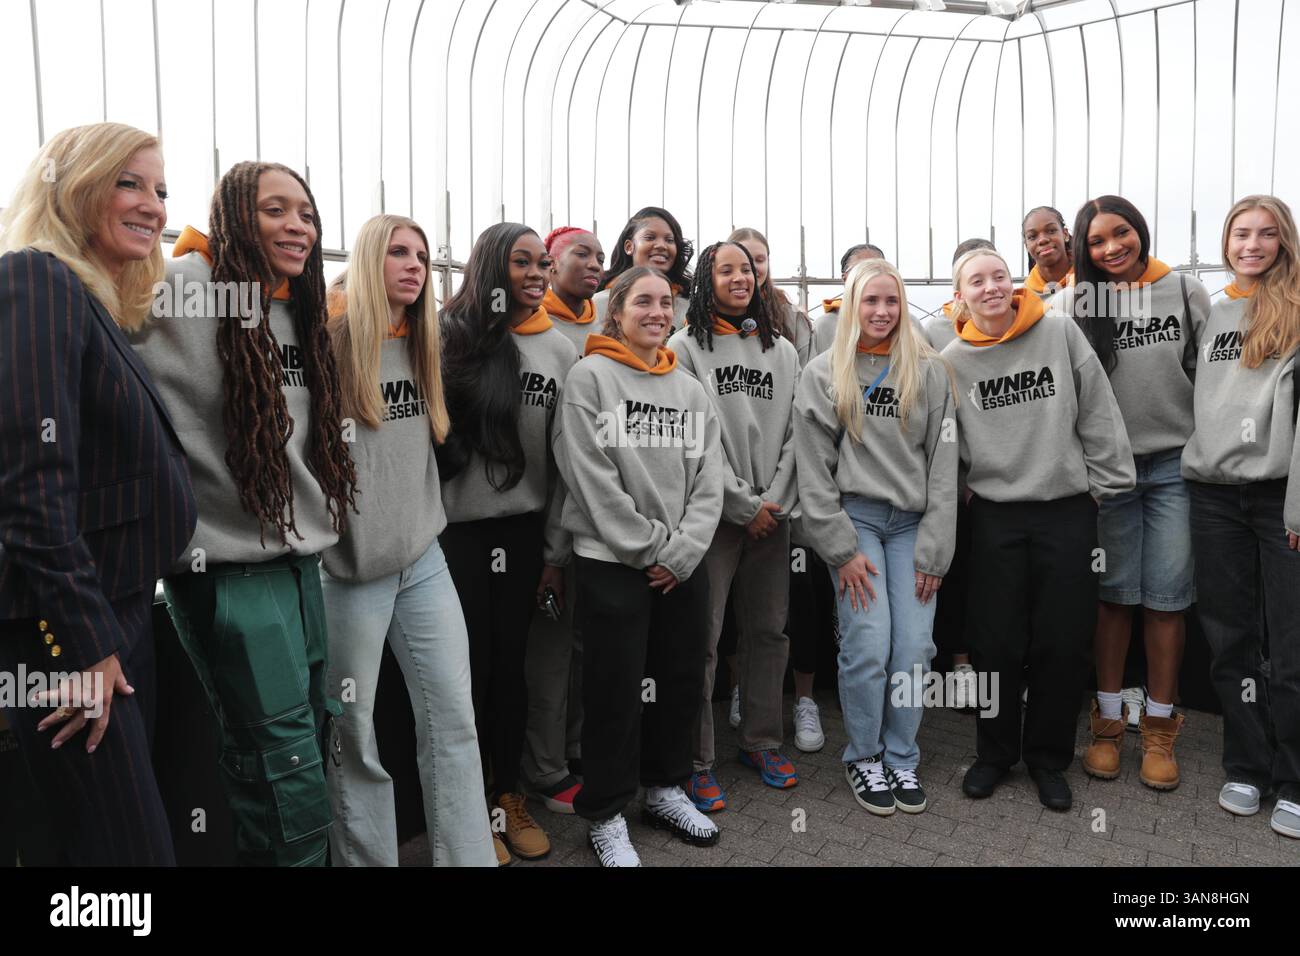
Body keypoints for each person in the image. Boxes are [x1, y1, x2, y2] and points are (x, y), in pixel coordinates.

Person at [132, 160, 359, 866]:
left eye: (308, 214)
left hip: (300, 564)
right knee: (282, 767)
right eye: (274, 210)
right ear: (234, 214)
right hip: (228, 571)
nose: (297, 225)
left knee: (304, 743)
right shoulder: (180, 289)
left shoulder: (296, 300)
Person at [0, 122, 197, 866]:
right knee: (129, 856)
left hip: (109, 617)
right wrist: (85, 647)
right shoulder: (35, 278)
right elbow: (30, 489)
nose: (152, 205)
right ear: (75, 187)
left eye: (160, 190)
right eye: (129, 182)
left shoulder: (90, 299)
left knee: (103, 853)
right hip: (67, 632)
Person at [320, 214, 494, 866]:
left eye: (421, 254)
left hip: (423, 560)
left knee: (454, 720)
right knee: (353, 733)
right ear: (370, 259)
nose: (414, 264)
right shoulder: (328, 342)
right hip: (347, 574)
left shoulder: (425, 345)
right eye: (398, 252)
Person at [941, 248, 1135, 812]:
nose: (992, 287)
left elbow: (1097, 410)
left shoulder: (1060, 333)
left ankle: (1049, 759)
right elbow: (944, 443)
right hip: (997, 516)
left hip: (1067, 509)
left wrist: (1103, 485)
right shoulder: (951, 359)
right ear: (961, 297)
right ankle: (995, 754)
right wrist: (962, 495)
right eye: (977, 281)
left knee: (1062, 641)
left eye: (1000, 275)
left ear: (1014, 283)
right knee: (995, 643)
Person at [554, 266, 724, 866]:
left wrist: (682, 551)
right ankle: (604, 812)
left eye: (666, 301)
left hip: (681, 563)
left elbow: (710, 478)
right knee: (614, 690)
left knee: (677, 680)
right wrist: (651, 548)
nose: (657, 311)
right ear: (616, 310)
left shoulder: (690, 388)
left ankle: (665, 788)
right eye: (643, 301)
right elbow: (590, 477)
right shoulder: (589, 378)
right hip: (613, 563)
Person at [1051, 196, 1209, 791]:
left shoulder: (1186, 292)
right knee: (1114, 597)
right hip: (1108, 475)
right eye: (1097, 240)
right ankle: (1108, 722)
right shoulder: (1070, 304)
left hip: (1174, 468)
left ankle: (1162, 727)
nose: (1112, 247)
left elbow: (1207, 375)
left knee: (1167, 599)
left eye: (1122, 233)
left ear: (1141, 231)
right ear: (1082, 249)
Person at [795, 258, 957, 815]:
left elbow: (943, 465)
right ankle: (863, 756)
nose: (882, 312)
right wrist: (839, 550)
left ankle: (901, 755)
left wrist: (936, 550)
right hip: (856, 523)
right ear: (852, 304)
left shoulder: (930, 371)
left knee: (914, 649)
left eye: (892, 301)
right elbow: (813, 469)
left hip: (912, 527)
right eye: (871, 301)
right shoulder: (823, 373)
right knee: (867, 645)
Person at [437, 221, 577, 865]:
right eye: (521, 261)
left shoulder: (560, 353)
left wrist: (552, 554)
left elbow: (565, 464)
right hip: (453, 538)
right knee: (465, 678)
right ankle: (467, 814)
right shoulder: (447, 338)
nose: (534, 273)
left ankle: (505, 799)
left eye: (542, 263)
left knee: (511, 674)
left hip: (523, 536)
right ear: (491, 266)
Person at [1182, 195, 1300, 839]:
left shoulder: (1298, 310)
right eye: (1241, 233)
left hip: (1281, 496)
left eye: (1266, 235)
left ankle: (1294, 776)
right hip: (1213, 495)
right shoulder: (1215, 311)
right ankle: (1248, 765)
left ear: (1284, 242)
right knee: (1229, 639)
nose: (1251, 245)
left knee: (1289, 645)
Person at [668, 241, 802, 811]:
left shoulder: (783, 350)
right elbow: (695, 441)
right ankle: (696, 760)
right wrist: (743, 506)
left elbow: (801, 433)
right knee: (704, 639)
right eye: (725, 270)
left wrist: (773, 501)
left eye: (746, 268)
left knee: (769, 633)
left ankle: (762, 741)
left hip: (774, 518)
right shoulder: (684, 347)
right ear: (706, 281)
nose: (739, 277)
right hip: (715, 519)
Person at [729, 226, 829, 752]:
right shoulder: (696, 337)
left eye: (756, 261)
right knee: (725, 619)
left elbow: (802, 416)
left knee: (787, 611)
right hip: (724, 505)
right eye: (736, 264)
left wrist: (777, 499)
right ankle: (738, 698)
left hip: (784, 500)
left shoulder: (791, 327)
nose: (748, 271)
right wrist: (740, 502)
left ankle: (790, 711)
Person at [520, 224, 604, 812]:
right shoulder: (529, 331)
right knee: (544, 652)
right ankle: (541, 768)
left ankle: (570, 750)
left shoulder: (596, 329)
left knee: (578, 645)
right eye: (582, 252)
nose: (595, 263)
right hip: (525, 519)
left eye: (601, 254)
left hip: (584, 514)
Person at [593, 206, 693, 335]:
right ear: (629, 247)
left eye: (669, 240)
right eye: (650, 237)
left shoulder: (689, 308)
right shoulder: (598, 305)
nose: (662, 246)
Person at [812, 243, 886, 356]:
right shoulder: (824, 326)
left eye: (877, 269)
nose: (869, 276)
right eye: (860, 269)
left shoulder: (907, 323)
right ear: (845, 278)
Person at [1022, 206, 1074, 299]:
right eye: (1032, 236)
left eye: (1051, 231)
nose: (1042, 240)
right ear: (1026, 246)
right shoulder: (1024, 298)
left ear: (1065, 234)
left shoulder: (1092, 278)